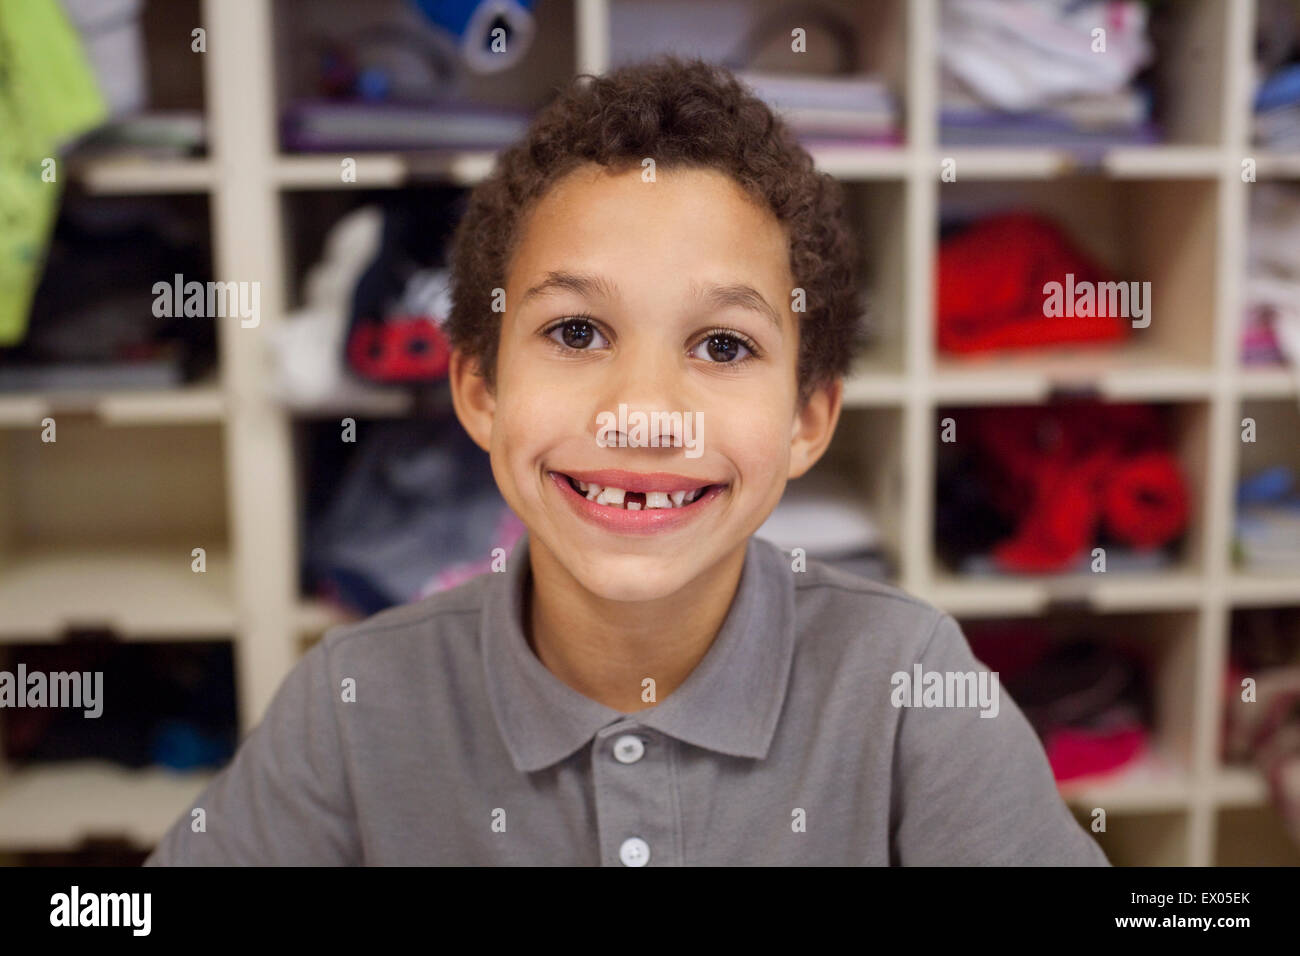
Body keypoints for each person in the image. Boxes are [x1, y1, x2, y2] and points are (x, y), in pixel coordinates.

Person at [147, 56, 1108, 866]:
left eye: (724, 346)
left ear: (809, 419)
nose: (645, 416)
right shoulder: (351, 705)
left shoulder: (907, 681)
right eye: (575, 331)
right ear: (479, 390)